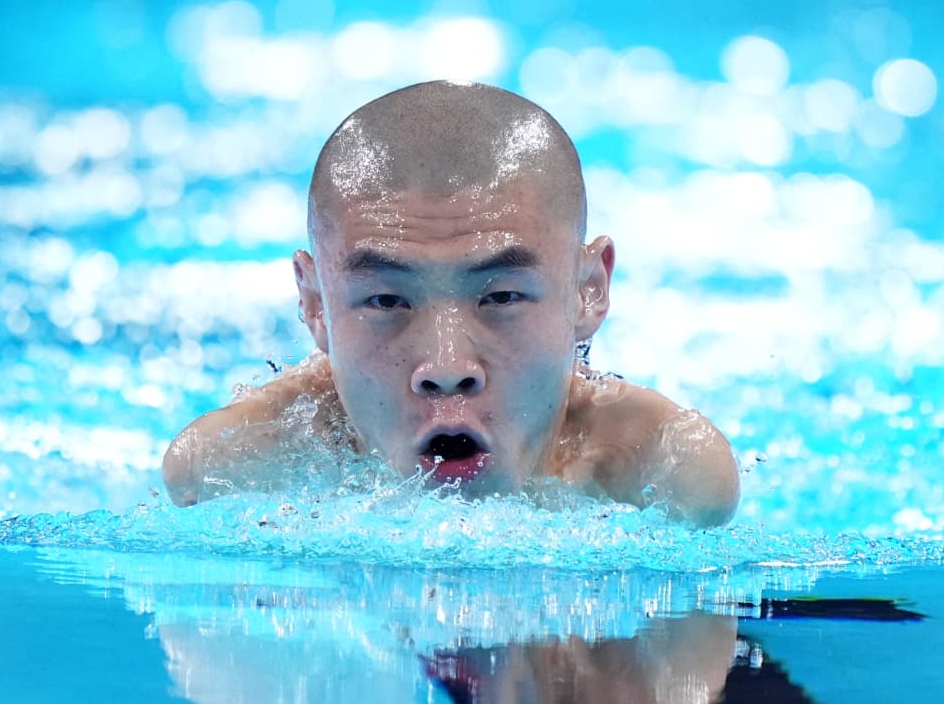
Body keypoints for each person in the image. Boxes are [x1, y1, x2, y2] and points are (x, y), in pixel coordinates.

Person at [162, 80, 739, 527]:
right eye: (386, 300)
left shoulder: (664, 477)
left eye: (503, 297)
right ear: (315, 304)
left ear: (589, 289)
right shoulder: (233, 474)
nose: (445, 369)